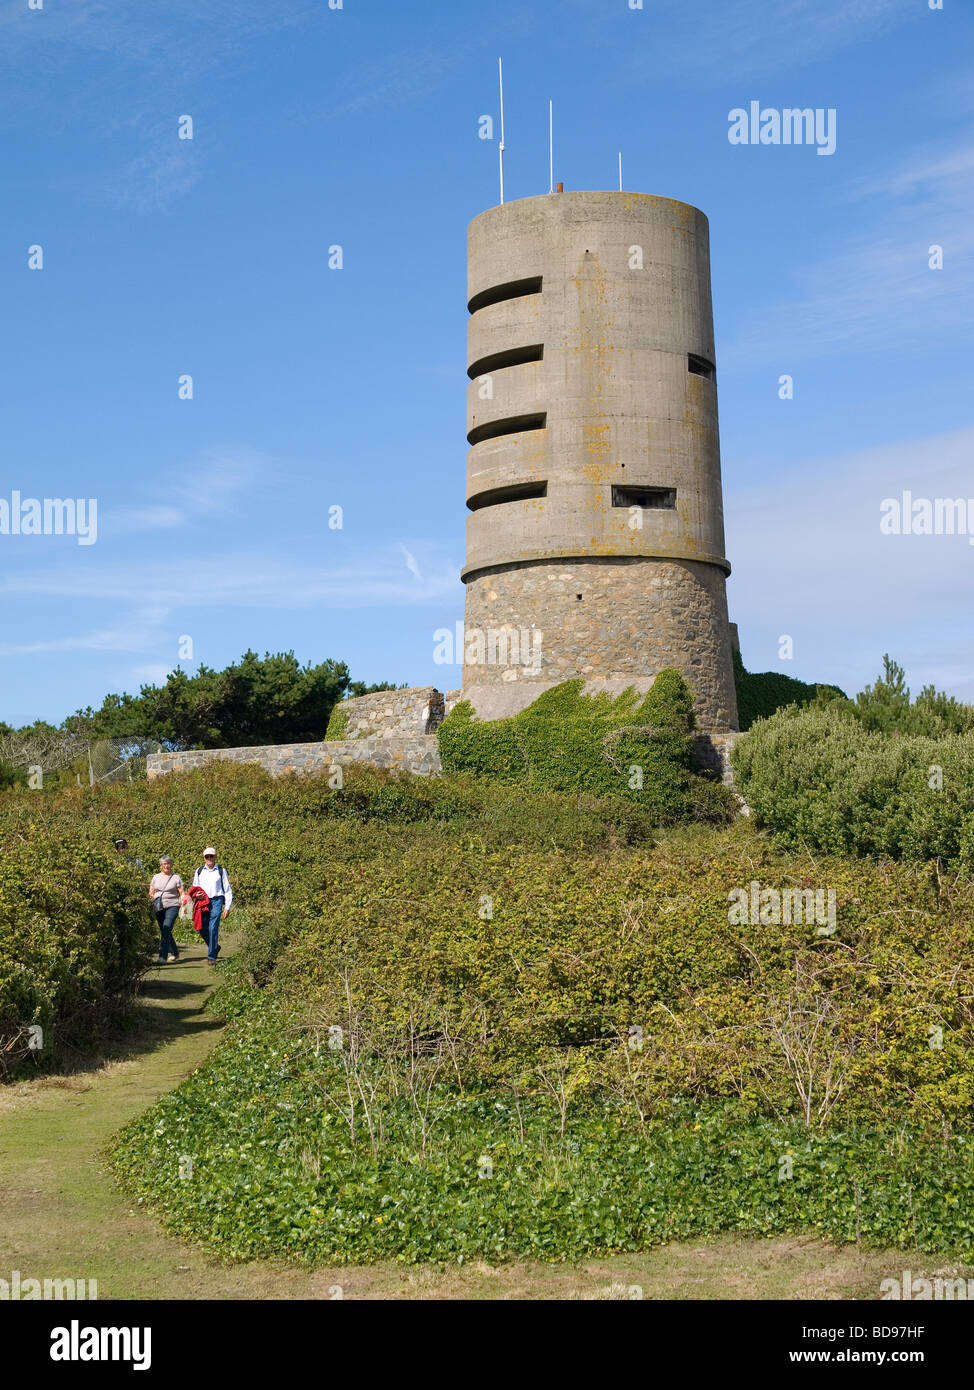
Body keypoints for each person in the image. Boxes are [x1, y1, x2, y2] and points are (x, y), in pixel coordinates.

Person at [192, 848, 233, 964]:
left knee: (213, 927)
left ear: (215, 857)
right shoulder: (199, 871)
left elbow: (227, 889)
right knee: (201, 928)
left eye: (211, 856)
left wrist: (227, 907)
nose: (209, 859)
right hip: (202, 901)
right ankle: (215, 947)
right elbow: (195, 887)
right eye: (207, 856)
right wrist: (196, 894)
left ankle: (211, 957)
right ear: (204, 858)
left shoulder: (221, 870)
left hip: (217, 900)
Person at [148, 856, 184, 964]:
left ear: (171, 865)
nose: (166, 866)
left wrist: (184, 904)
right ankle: (175, 952)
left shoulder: (176, 878)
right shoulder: (156, 877)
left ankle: (162, 957)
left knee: (166, 928)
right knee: (165, 930)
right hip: (158, 906)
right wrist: (152, 897)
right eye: (164, 864)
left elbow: (182, 893)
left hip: (173, 905)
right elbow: (151, 891)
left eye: (168, 863)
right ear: (161, 866)